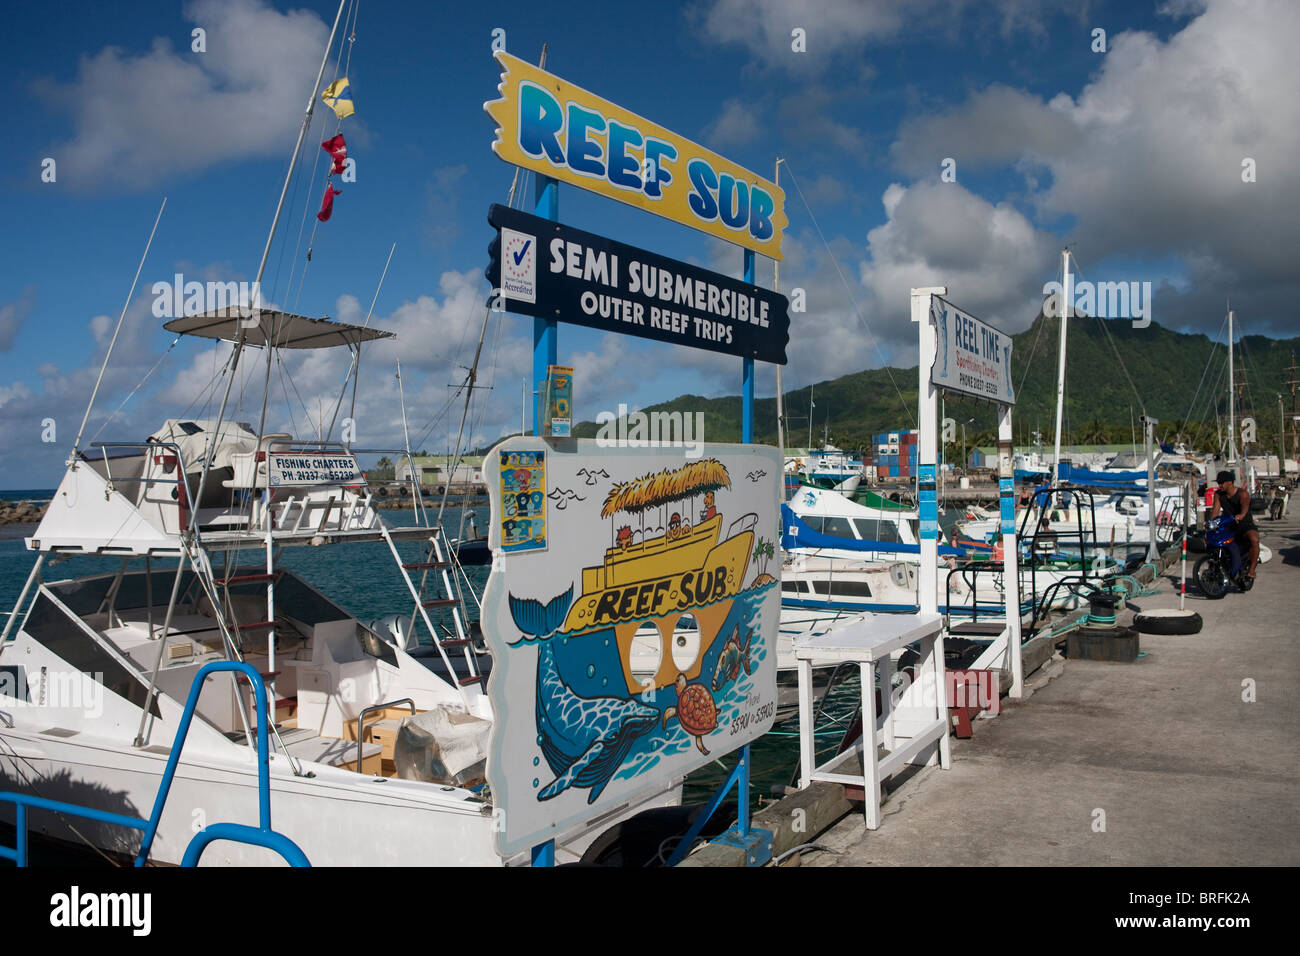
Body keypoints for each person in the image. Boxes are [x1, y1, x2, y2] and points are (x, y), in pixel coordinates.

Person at [1209, 470, 1258, 578]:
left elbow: (1245, 506)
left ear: (1230, 482)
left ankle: (1252, 569)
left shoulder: (1242, 493)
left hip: (1244, 523)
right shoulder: (1218, 494)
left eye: (1222, 482)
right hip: (1228, 524)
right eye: (1218, 483)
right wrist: (1210, 523)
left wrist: (1241, 515)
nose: (1219, 485)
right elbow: (1215, 510)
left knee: (1254, 539)